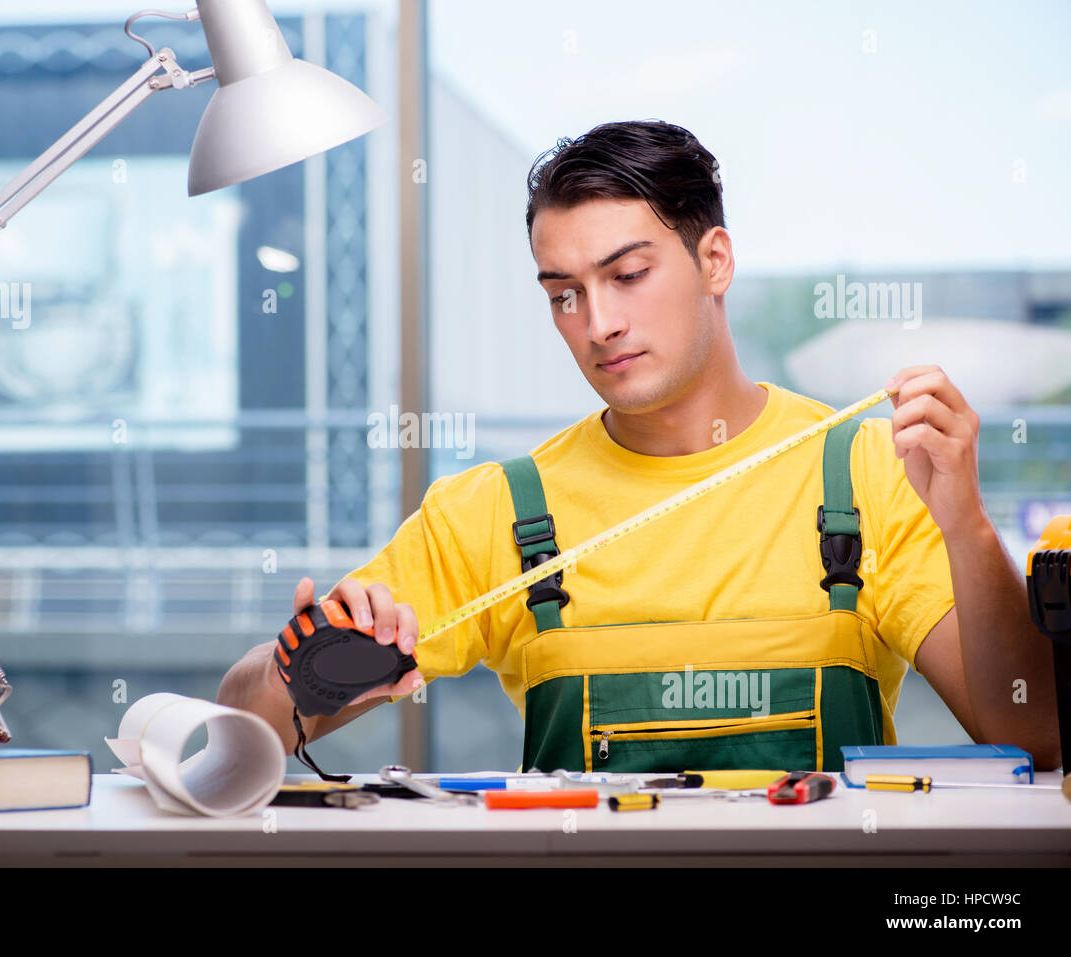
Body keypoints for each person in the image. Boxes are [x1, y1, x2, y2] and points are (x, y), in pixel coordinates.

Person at [218, 120, 1061, 773]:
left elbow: (1035, 731)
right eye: (564, 295)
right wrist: (299, 663)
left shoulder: (869, 475)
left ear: (716, 260)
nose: (599, 323)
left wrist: (967, 525)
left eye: (627, 275)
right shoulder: (500, 509)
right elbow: (245, 728)